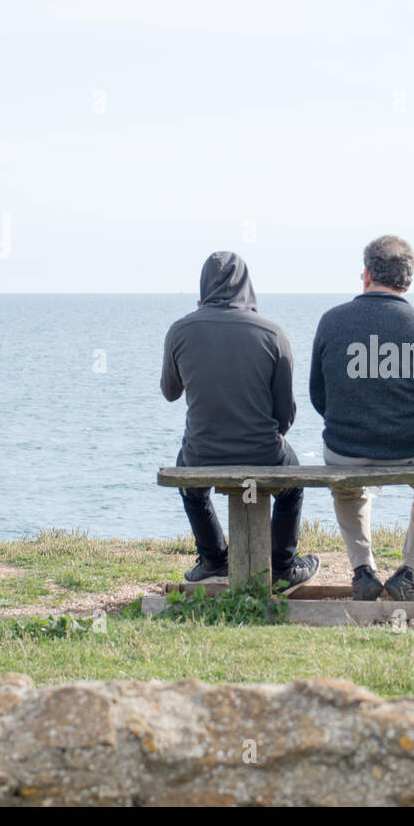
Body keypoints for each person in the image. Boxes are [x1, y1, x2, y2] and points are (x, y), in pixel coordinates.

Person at [310, 235, 414, 601]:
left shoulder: (331, 323)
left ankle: (362, 570)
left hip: (346, 448)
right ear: (408, 281)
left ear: (366, 275)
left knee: (346, 487)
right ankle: (412, 573)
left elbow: (318, 395)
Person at [161, 251, 319, 586]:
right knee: (293, 488)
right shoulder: (273, 334)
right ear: (248, 286)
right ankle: (282, 567)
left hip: (201, 453)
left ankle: (214, 558)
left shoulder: (179, 331)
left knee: (192, 487)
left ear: (203, 286)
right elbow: (284, 417)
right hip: (264, 451)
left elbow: (170, 391)